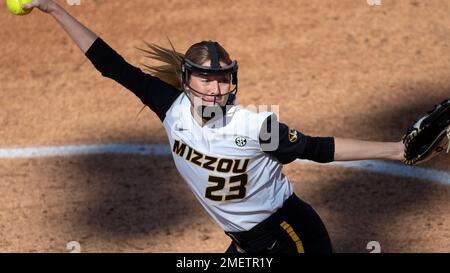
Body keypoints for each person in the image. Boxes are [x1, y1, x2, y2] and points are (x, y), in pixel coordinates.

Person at [23, 0, 405, 253]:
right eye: (207, 80)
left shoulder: (254, 126)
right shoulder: (170, 107)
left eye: (223, 80)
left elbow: (321, 149)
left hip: (289, 237)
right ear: (187, 79)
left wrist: (396, 149)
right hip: (244, 243)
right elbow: (112, 65)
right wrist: (54, 8)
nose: (216, 89)